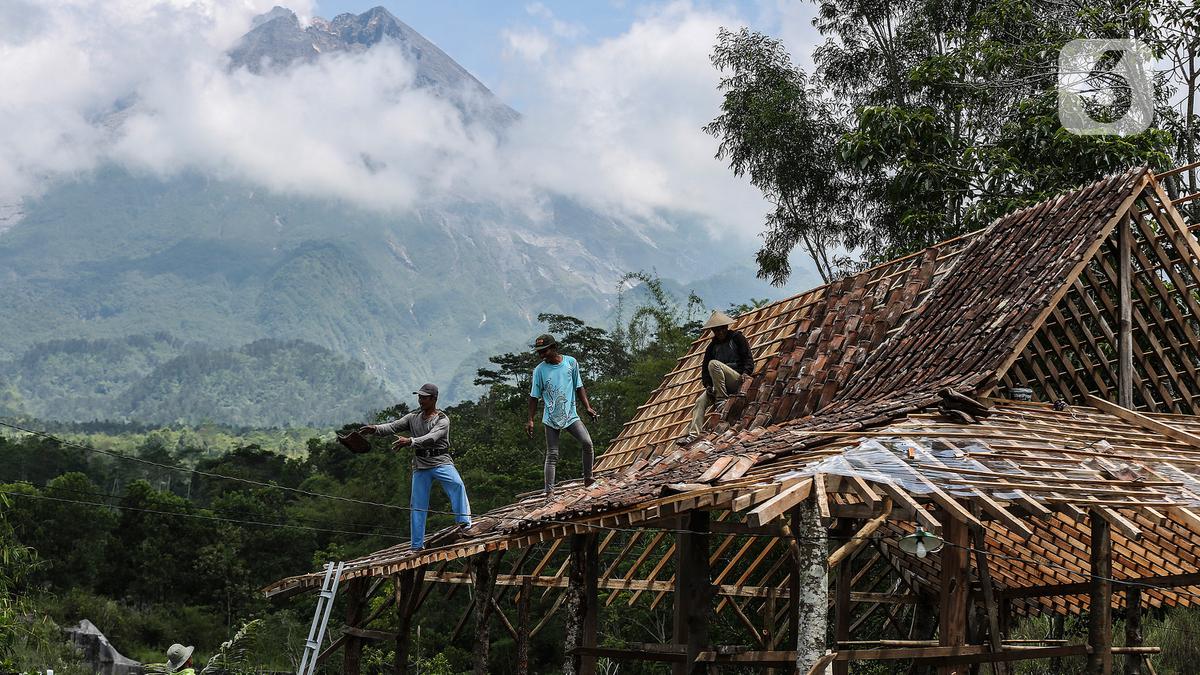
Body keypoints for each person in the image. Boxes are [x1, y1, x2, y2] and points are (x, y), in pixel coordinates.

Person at [361, 383, 471, 551]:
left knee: (457, 485)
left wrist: (410, 441)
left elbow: (431, 438)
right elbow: (393, 426)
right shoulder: (412, 417)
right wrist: (375, 429)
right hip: (421, 465)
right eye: (419, 397)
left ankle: (464, 524)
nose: (420, 400)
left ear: (433, 399)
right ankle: (416, 545)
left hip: (441, 461)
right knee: (417, 505)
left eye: (424, 398)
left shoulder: (442, 419)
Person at [526, 333, 598, 499]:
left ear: (553, 348)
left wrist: (588, 407)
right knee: (552, 454)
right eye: (539, 352)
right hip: (551, 417)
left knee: (587, 443)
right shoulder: (539, 371)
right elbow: (534, 397)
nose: (541, 355)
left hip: (570, 415)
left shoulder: (570, 363)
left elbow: (579, 386)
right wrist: (530, 419)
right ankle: (549, 492)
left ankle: (588, 478)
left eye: (544, 351)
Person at [678, 310, 754, 445]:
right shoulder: (712, 347)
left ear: (726, 327)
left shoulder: (737, 338)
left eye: (722, 329)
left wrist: (746, 372)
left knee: (714, 364)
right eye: (716, 330)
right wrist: (708, 385)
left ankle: (721, 401)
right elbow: (704, 371)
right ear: (713, 331)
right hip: (719, 385)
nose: (720, 332)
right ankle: (693, 434)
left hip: (735, 379)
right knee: (700, 401)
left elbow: (748, 358)